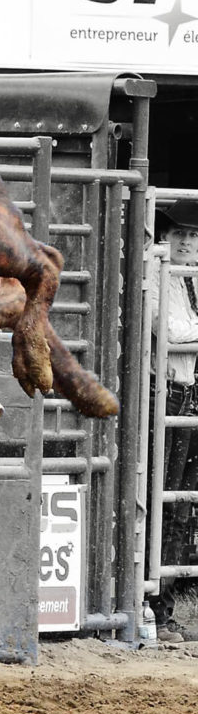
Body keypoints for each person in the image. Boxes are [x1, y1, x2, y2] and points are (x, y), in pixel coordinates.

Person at [148, 200, 198, 642]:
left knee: (182, 504)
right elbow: (170, 334)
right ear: (166, 236)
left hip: (190, 392)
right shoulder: (159, 271)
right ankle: (155, 610)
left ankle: (166, 609)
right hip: (172, 392)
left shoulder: (190, 279)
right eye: (179, 233)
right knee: (164, 499)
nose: (186, 241)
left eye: (193, 235)